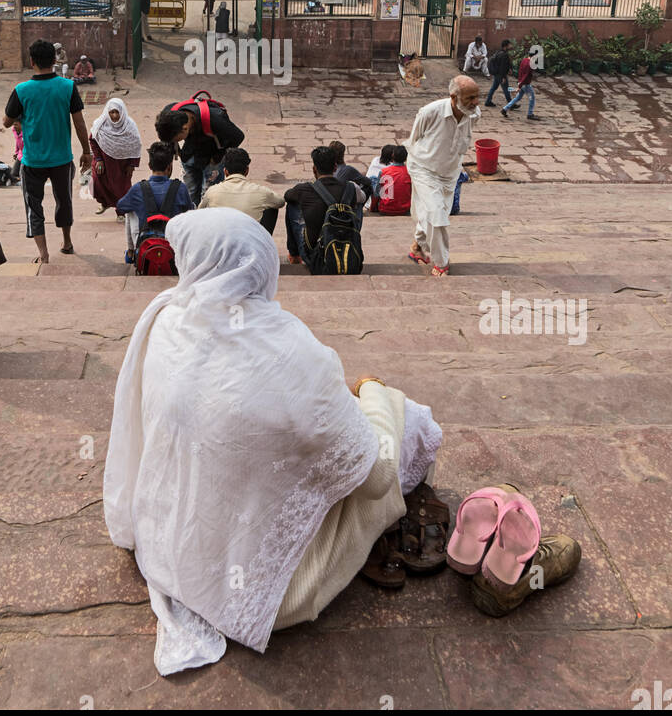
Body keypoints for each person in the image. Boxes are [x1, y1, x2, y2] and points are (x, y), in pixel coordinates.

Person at [102, 208, 444, 676]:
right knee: (401, 417)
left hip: (172, 551)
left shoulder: (167, 320)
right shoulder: (290, 352)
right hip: (275, 596)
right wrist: (373, 391)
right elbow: (377, 476)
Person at [3, 38, 91, 264]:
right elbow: (79, 122)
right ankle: (67, 242)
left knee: (33, 206)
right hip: (62, 158)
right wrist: (86, 151)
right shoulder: (68, 87)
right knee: (64, 201)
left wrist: (24, 115)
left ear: (31, 61)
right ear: (54, 60)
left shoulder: (21, 90)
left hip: (32, 161)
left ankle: (43, 254)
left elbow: (6, 121)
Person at [406, 75, 481, 279]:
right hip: (424, 169)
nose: (475, 102)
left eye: (477, 97)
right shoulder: (430, 112)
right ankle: (441, 262)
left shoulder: (474, 114)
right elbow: (415, 139)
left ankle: (417, 248)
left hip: (450, 172)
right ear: (454, 97)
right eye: (470, 98)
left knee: (436, 214)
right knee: (436, 213)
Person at [155, 94, 245, 207]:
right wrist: (175, 151)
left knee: (209, 196)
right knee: (189, 193)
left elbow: (238, 136)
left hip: (211, 160)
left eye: (176, 140)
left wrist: (219, 156)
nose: (174, 142)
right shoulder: (169, 113)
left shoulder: (214, 119)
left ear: (185, 129)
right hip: (189, 155)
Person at [284, 145, 366, 269]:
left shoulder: (303, 190)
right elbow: (364, 197)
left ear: (314, 169)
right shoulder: (351, 187)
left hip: (316, 257)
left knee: (292, 205)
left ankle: (294, 255)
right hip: (349, 252)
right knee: (357, 201)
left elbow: (286, 196)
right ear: (335, 167)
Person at [116, 140, 193, 263]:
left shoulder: (137, 189)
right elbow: (190, 212)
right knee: (188, 210)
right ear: (169, 167)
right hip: (174, 251)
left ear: (149, 166)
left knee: (129, 210)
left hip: (146, 250)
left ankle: (131, 252)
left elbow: (120, 207)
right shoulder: (180, 188)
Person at [199, 146, 286, 232]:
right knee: (271, 206)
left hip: (219, 241)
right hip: (250, 241)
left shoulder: (212, 191)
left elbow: (199, 211)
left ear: (225, 171)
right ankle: (265, 240)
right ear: (247, 171)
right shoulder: (261, 191)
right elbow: (280, 202)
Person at [89, 97, 142, 216]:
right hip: (104, 162)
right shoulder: (100, 124)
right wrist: (98, 159)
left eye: (117, 112)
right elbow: (93, 140)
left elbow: (136, 145)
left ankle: (121, 212)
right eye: (111, 112)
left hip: (121, 165)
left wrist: (132, 164)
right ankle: (105, 203)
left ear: (122, 112)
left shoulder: (130, 126)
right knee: (97, 184)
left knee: (120, 188)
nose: (114, 116)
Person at [368, 144, 412, 216]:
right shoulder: (409, 172)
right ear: (406, 158)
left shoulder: (384, 171)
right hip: (405, 209)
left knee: (373, 179)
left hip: (385, 209)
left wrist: (372, 208)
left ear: (392, 156)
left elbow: (376, 193)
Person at [501, 51, 538, 122]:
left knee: (518, 97)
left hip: (521, 82)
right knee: (532, 98)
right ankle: (530, 114)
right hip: (525, 84)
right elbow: (526, 76)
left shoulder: (524, 60)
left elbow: (520, 72)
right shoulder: (530, 64)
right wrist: (520, 85)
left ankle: (505, 109)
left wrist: (519, 82)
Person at [485, 39, 515, 107]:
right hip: (500, 74)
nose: (511, 46)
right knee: (506, 89)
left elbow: (503, 65)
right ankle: (511, 104)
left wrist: (509, 68)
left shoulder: (499, 52)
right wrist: (503, 77)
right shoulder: (504, 55)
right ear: (506, 46)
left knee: (493, 88)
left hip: (497, 74)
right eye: (510, 44)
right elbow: (502, 67)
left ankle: (488, 101)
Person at [9, 120, 23, 185]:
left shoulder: (26, 131)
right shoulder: (14, 130)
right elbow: (18, 141)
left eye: (16, 125)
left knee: (23, 174)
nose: (14, 126)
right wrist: (17, 152)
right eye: (13, 125)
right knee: (13, 175)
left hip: (27, 155)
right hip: (20, 154)